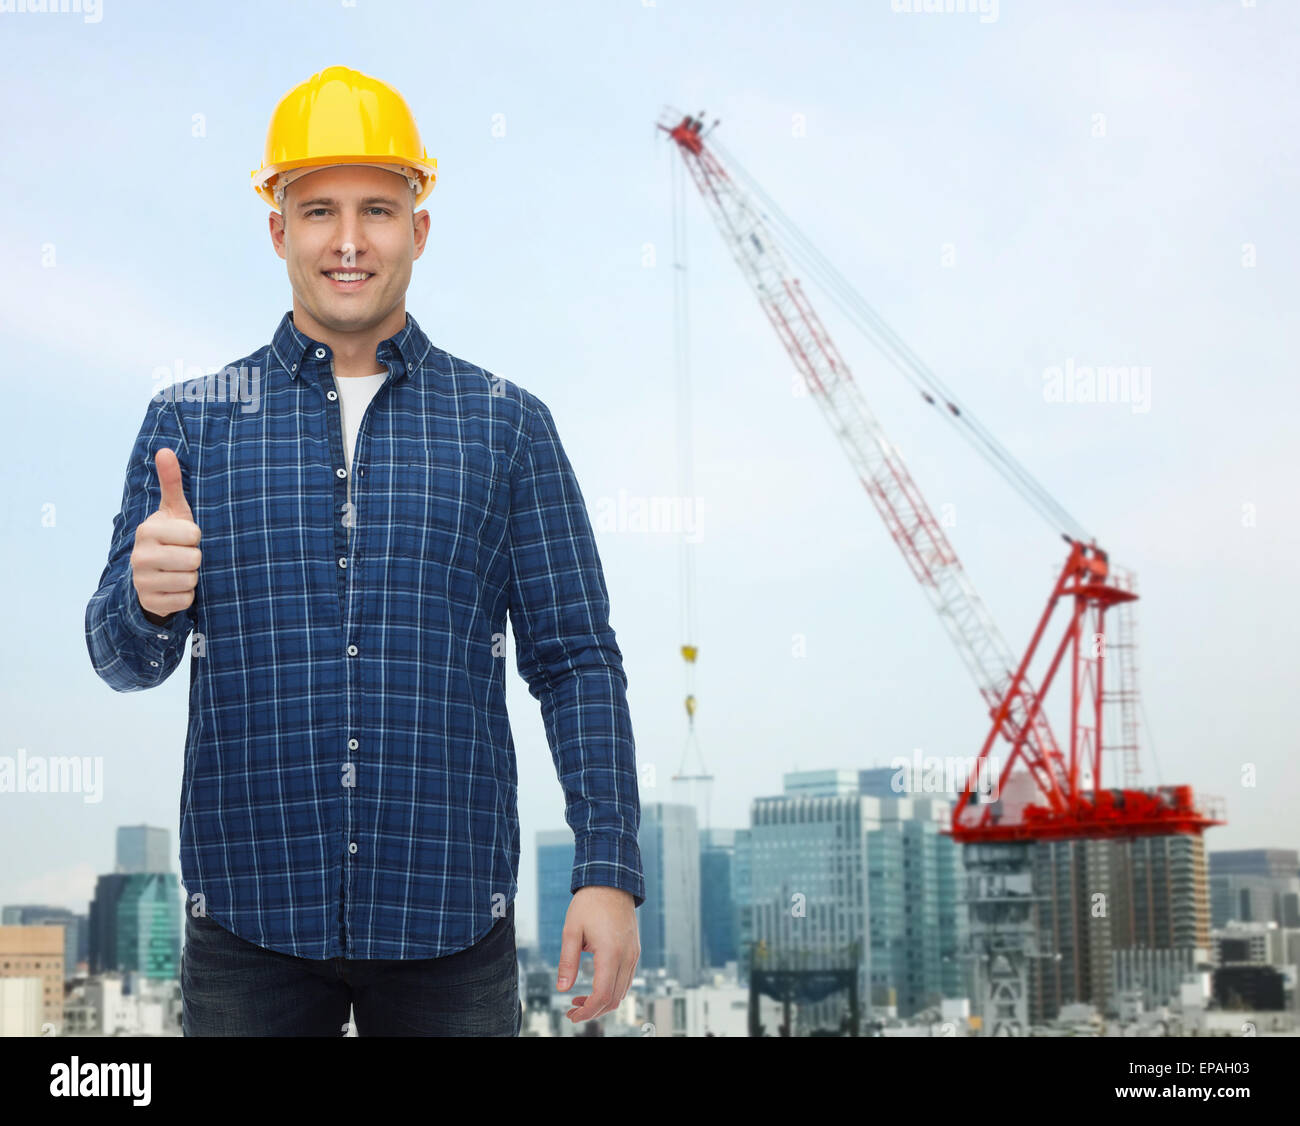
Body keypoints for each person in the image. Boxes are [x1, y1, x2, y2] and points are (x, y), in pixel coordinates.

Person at [84, 65, 643, 1037]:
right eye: (318, 211)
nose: (348, 241)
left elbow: (575, 660)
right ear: (277, 230)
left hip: (450, 928)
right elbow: (121, 660)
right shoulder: (191, 422)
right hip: (249, 927)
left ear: (419, 228)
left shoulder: (506, 427)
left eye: (377, 209)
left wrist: (607, 866)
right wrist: (147, 598)